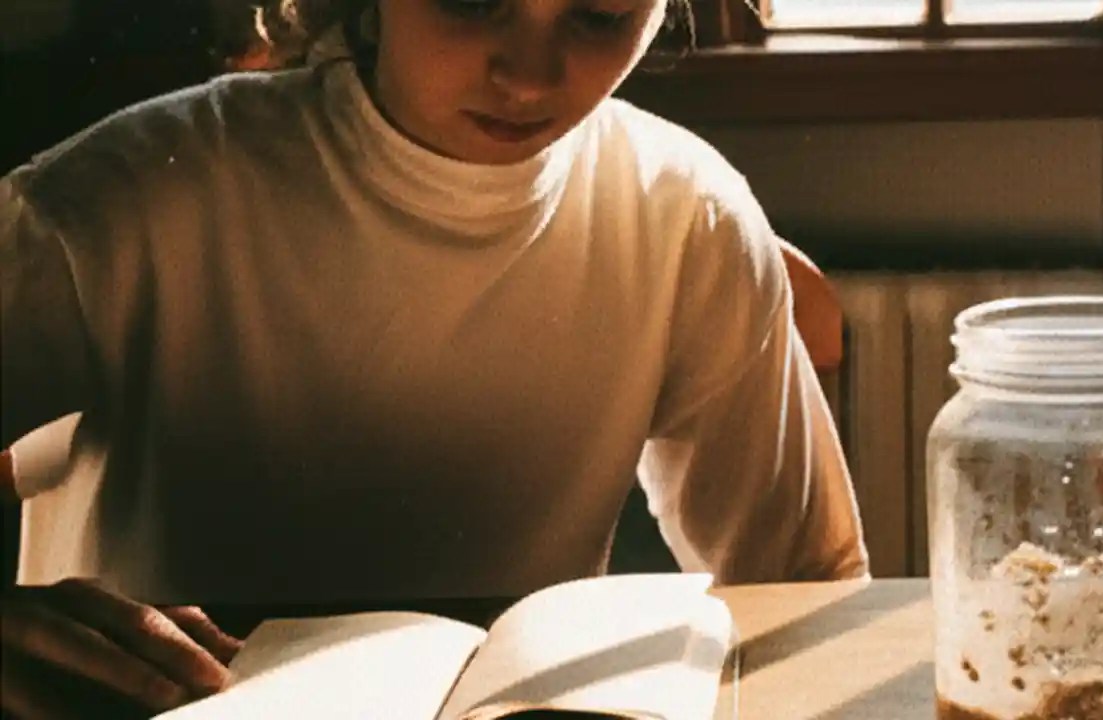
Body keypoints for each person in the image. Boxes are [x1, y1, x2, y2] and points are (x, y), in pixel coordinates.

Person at [0, 0, 869, 714]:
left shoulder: (687, 216)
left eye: (599, 17)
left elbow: (805, 594)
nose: (529, 76)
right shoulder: (128, 198)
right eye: (470, 2)